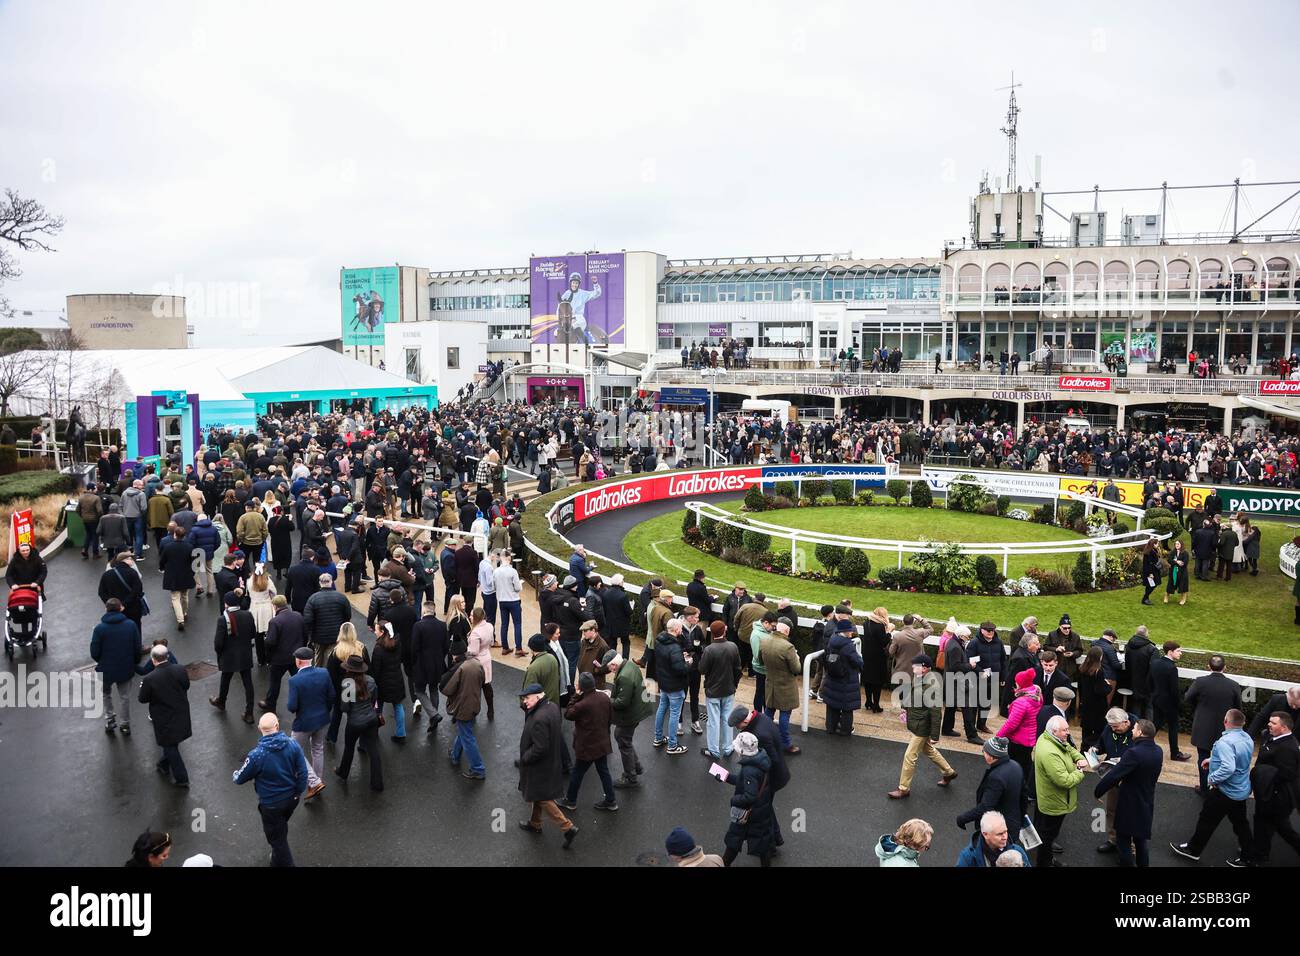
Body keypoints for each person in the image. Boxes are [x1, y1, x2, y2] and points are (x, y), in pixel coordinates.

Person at [1170, 710, 1254, 863]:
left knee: (1207, 820)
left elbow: (1228, 767)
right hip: (1240, 790)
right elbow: (1237, 759)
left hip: (1224, 791)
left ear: (1226, 721)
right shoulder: (1247, 738)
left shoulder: (1225, 742)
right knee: (1241, 823)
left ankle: (1193, 850)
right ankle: (1249, 854)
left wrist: (1212, 779)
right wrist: (1212, 760)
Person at [233, 712, 309, 866]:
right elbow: (303, 772)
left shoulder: (256, 755)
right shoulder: (292, 745)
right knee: (280, 829)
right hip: (291, 800)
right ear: (277, 726)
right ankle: (276, 860)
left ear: (260, 729)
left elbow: (240, 778)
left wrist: (235, 774)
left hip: (270, 805)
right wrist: (297, 793)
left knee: (276, 840)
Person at [1093, 718, 1163, 867]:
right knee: (1141, 841)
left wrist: (1098, 792)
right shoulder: (1158, 751)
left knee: (1123, 840)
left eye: (1135, 728)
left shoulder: (1134, 753)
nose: (1132, 730)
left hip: (1129, 803)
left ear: (1141, 732)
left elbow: (1113, 776)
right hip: (1146, 802)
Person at [516, 683, 578, 848]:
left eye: (527, 698)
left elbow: (540, 748)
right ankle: (535, 823)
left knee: (543, 798)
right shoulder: (551, 707)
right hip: (551, 762)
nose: (525, 702)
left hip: (539, 766)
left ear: (538, 696)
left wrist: (525, 758)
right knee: (536, 794)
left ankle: (568, 827)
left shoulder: (539, 719)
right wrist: (527, 705)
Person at [889, 654, 958, 799]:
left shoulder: (932, 685)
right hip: (917, 722)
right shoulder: (918, 678)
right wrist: (904, 707)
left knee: (910, 756)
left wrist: (934, 735)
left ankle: (903, 788)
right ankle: (949, 772)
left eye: (915, 665)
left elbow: (936, 712)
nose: (913, 667)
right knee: (929, 750)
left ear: (924, 668)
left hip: (922, 726)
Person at [1237, 712, 1300, 867]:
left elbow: (1286, 774)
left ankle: (1257, 857)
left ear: (1284, 727)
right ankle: (1258, 852)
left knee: (1273, 826)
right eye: (1269, 722)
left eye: (1273, 723)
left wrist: (1262, 778)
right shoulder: (1269, 737)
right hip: (1267, 792)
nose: (1269, 725)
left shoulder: (1289, 748)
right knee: (1266, 823)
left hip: (1278, 796)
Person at [1032, 715, 1088, 867]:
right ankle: (1044, 863)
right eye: (1064, 730)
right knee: (1048, 836)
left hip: (1051, 798)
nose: (1068, 732)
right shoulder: (1050, 753)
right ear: (1054, 731)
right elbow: (1064, 781)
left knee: (1046, 833)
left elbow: (1068, 748)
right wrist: (1079, 770)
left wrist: (1078, 758)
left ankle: (1047, 859)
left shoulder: (1049, 738)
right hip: (1054, 802)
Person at [560, 672, 618, 812]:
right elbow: (610, 718)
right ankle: (611, 800)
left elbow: (568, 714)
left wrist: (575, 696)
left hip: (587, 747)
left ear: (581, 687)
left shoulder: (582, 704)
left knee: (577, 773)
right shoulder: (604, 697)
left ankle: (571, 800)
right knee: (604, 771)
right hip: (602, 743)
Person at [1185, 655, 1243, 792]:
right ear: (1225, 667)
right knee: (1223, 758)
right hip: (1225, 728)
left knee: (1203, 758)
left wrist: (1198, 708)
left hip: (1203, 726)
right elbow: (1238, 708)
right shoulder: (1233, 685)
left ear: (1209, 667)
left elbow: (1188, 698)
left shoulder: (1200, 682)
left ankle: (1205, 788)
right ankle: (1216, 787)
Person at [137, 643, 191, 787]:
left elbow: (142, 699)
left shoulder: (150, 679)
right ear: (167, 656)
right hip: (181, 713)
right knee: (172, 743)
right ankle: (163, 764)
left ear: (153, 660)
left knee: (169, 746)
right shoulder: (180, 669)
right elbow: (186, 685)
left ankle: (182, 778)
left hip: (163, 718)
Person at [719, 731, 775, 867]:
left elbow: (750, 796)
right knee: (762, 845)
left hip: (749, 814)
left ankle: (723, 864)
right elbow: (746, 781)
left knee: (733, 840)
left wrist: (734, 800)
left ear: (742, 751)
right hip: (761, 810)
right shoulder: (761, 760)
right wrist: (725, 777)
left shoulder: (749, 770)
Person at [957, 736, 1025, 844]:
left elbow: (985, 806)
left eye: (984, 751)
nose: (983, 753)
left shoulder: (996, 777)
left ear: (992, 756)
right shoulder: (1016, 766)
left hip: (998, 829)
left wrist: (963, 818)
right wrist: (1021, 820)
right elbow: (1023, 796)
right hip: (1013, 825)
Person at [286, 646, 333, 801]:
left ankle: (314, 781)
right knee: (318, 749)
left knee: (294, 750)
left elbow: (292, 707)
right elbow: (331, 696)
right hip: (323, 719)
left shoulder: (294, 681)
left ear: (299, 662)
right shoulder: (324, 673)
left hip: (304, 723)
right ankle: (316, 782)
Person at [91, 597, 142, 735]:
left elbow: (94, 652)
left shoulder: (99, 629)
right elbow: (137, 648)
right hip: (125, 667)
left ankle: (110, 720)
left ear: (106, 609)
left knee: (106, 694)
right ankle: (125, 724)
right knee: (124, 697)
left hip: (106, 669)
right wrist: (134, 662)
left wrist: (102, 661)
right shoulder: (130, 625)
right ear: (121, 608)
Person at [334, 654, 384, 791]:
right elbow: (375, 699)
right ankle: (377, 783)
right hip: (371, 720)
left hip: (355, 722)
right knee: (374, 750)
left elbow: (344, 707)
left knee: (349, 748)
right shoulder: (371, 681)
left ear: (349, 670)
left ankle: (343, 772)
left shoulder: (347, 684)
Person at [442, 639, 487, 779]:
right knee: (464, 731)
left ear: (454, 655)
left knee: (468, 738)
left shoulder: (461, 668)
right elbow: (483, 681)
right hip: (474, 704)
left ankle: (478, 768)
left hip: (463, 707)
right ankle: (455, 755)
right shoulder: (476, 663)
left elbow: (447, 689)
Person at [698, 620, 741, 760]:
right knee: (727, 719)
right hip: (728, 689)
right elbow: (738, 669)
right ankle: (728, 747)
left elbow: (702, 669)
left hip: (713, 691)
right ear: (724, 631)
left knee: (713, 721)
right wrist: (734, 685)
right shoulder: (733, 647)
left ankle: (714, 750)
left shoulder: (709, 650)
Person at [759, 621, 802, 753]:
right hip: (785, 686)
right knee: (784, 714)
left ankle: (764, 739)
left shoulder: (764, 641)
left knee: (768, 712)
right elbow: (796, 669)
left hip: (770, 683)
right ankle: (786, 744)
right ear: (787, 631)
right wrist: (797, 657)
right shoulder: (788, 647)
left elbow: (760, 660)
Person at [652, 617, 690, 755]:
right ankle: (672, 745)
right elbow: (680, 668)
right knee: (674, 714)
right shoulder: (674, 647)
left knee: (661, 709)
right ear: (676, 629)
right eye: (680, 628)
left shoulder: (659, 640)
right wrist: (688, 664)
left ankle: (658, 737)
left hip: (664, 683)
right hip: (674, 685)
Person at [261, 595, 304, 713]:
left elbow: (270, 642)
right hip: (296, 657)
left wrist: (268, 659)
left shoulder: (275, 621)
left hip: (279, 659)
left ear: (274, 606)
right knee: (299, 682)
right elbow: (305, 634)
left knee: (275, 683)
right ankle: (304, 704)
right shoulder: (298, 616)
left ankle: (271, 706)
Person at [821, 618, 864, 735]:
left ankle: (830, 728)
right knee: (847, 708)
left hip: (832, 678)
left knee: (832, 706)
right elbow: (857, 661)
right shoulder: (847, 645)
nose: (851, 633)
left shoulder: (832, 640)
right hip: (847, 679)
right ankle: (845, 730)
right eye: (849, 631)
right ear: (844, 631)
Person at [410, 608, 450, 730]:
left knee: (419, 690)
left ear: (423, 612)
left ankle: (434, 714)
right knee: (433, 690)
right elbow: (446, 646)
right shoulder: (442, 625)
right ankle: (434, 716)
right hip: (437, 663)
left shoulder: (418, 626)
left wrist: (414, 662)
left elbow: (414, 647)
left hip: (422, 664)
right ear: (434, 611)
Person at [370, 622, 407, 744]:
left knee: (377, 707)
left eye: (376, 630)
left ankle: (374, 732)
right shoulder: (397, 643)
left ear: (382, 632)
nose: (374, 632)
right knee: (398, 706)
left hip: (382, 684)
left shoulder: (378, 649)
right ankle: (401, 733)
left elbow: (375, 670)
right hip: (397, 680)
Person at [303, 573, 351, 665]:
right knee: (332, 658)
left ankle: (319, 675)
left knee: (318, 658)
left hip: (318, 636)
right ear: (331, 582)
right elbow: (347, 616)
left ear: (320, 583)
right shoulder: (341, 597)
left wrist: (310, 635)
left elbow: (308, 620)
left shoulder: (313, 598)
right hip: (336, 635)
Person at [955, 811, 1030, 867]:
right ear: (985, 834)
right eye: (1000, 834)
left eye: (1005, 831)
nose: (1005, 837)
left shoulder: (1017, 851)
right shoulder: (968, 857)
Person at [493, 550, 524, 657]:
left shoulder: (496, 571)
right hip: (514, 601)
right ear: (509, 558)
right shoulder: (513, 571)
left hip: (502, 601)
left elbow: (494, 586)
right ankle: (518, 648)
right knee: (517, 624)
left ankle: (505, 648)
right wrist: (519, 584)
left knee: (504, 624)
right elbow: (518, 588)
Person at [1164, 539, 1190, 605]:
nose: (1176, 545)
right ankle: (1166, 596)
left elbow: (1184, 563)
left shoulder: (1185, 553)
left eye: (1178, 544)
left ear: (1181, 545)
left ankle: (1183, 599)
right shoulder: (1172, 552)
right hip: (1173, 572)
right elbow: (1169, 560)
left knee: (1183, 586)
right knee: (1170, 584)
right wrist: (1177, 562)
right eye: (1175, 544)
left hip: (1182, 572)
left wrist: (1176, 562)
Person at [1140, 539, 1161, 605]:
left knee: (1150, 585)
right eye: (1157, 543)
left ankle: (1146, 598)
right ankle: (1145, 598)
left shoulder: (1153, 550)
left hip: (1153, 570)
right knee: (1152, 585)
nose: (1158, 545)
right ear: (1153, 544)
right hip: (1150, 571)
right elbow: (1147, 564)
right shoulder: (1149, 552)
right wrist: (1150, 573)